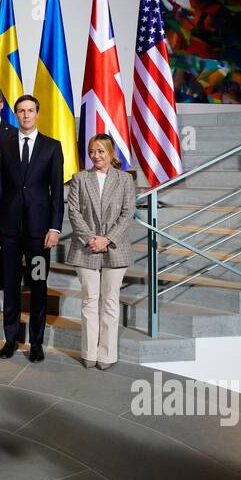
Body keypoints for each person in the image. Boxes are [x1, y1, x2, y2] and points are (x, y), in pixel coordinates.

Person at [0, 94, 64, 362]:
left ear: (37, 113)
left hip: (39, 233)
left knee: (38, 284)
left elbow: (57, 192)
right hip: (9, 231)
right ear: (16, 114)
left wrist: (55, 228)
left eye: (30, 110)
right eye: (21, 111)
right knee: (10, 285)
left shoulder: (52, 147)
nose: (25, 115)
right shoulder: (4, 144)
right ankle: (11, 340)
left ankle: (36, 342)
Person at [65, 134, 135, 370]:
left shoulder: (125, 180)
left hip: (115, 248)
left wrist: (107, 239)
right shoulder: (79, 178)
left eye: (101, 151)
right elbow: (73, 212)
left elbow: (127, 214)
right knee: (90, 301)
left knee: (110, 302)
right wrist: (91, 239)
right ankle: (89, 352)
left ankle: (106, 354)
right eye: (92, 151)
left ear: (111, 153)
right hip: (86, 249)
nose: (96, 156)